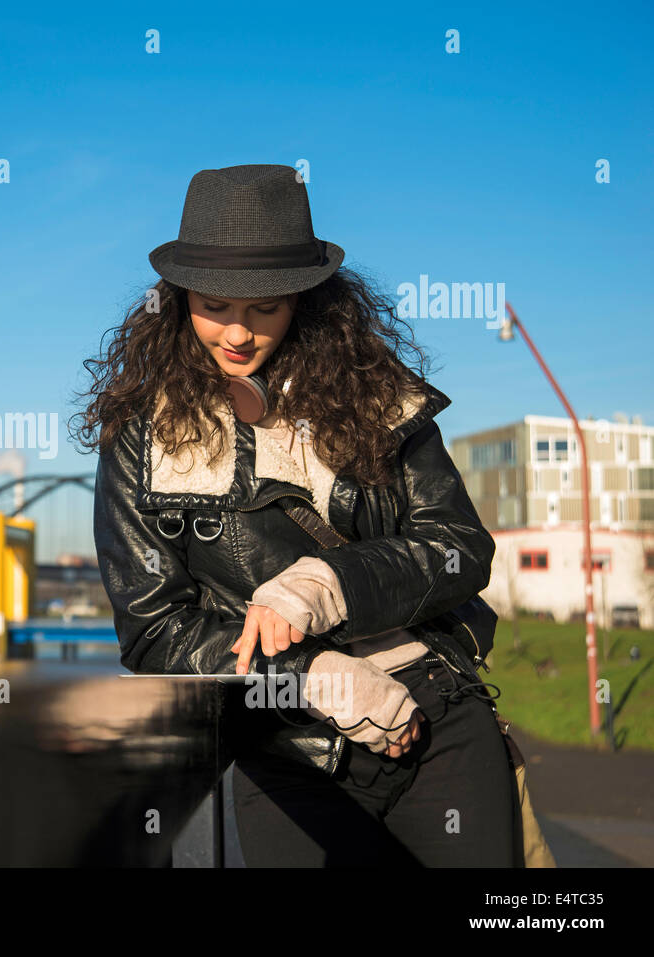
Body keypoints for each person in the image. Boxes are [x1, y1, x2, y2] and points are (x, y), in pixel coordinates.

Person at [76, 164, 516, 867]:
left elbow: (460, 546)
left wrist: (326, 583)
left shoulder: (380, 398)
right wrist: (315, 675)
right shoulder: (139, 435)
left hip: (438, 716)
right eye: (215, 305)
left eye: (267, 309)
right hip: (288, 743)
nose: (239, 333)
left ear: (307, 301)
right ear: (179, 294)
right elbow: (154, 629)